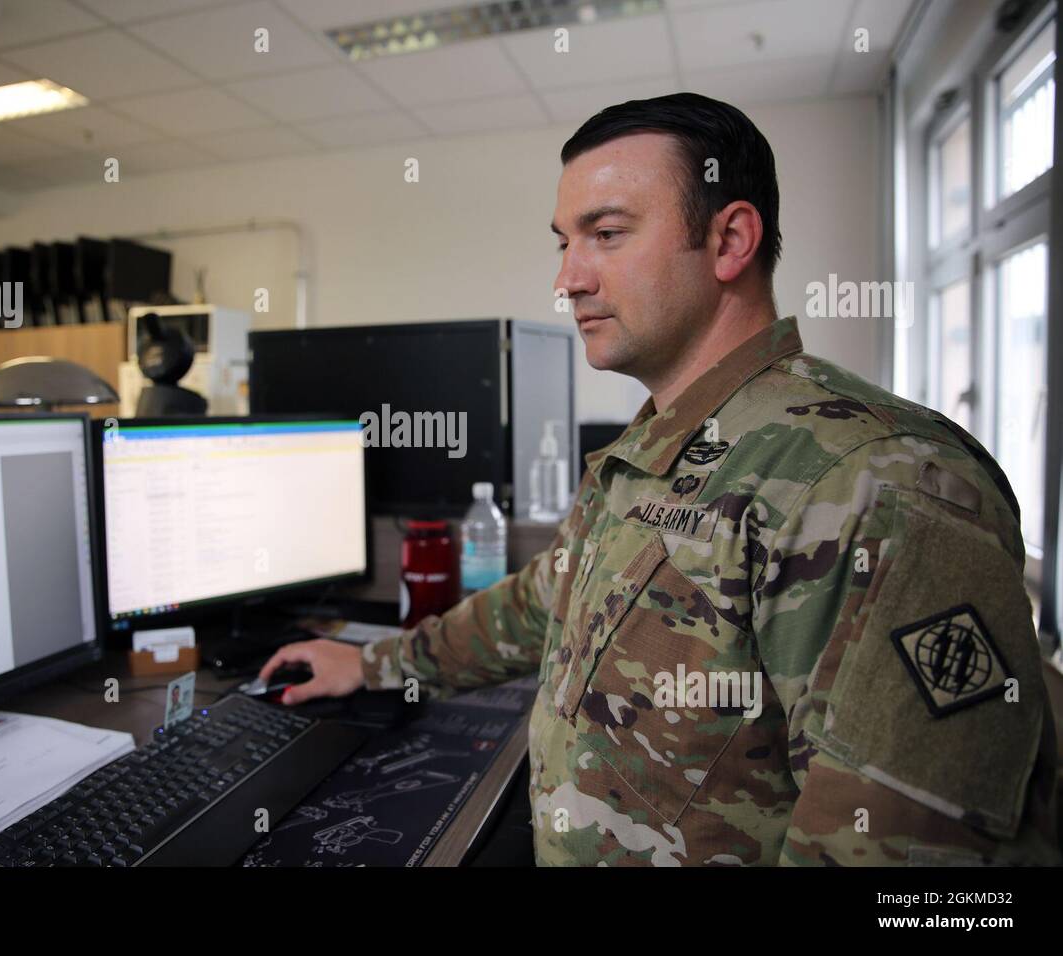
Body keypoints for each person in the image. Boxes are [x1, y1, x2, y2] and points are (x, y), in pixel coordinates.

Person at [258, 93, 1061, 866]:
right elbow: (550, 598)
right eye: (563, 242)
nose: (568, 278)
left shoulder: (877, 485)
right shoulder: (658, 444)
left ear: (728, 240)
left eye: (605, 234)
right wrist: (372, 665)